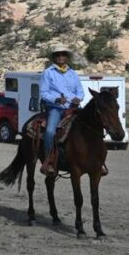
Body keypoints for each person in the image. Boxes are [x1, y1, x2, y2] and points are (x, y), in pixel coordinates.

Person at [39, 44, 84, 176]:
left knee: (92, 125)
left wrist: (78, 98)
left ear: (67, 57)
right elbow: (44, 93)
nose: (60, 57)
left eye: (63, 54)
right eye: (58, 54)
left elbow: (80, 91)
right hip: (56, 109)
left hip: (73, 107)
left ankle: (96, 160)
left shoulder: (72, 73)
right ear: (54, 57)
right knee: (50, 131)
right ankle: (48, 160)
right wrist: (57, 99)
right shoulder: (48, 73)